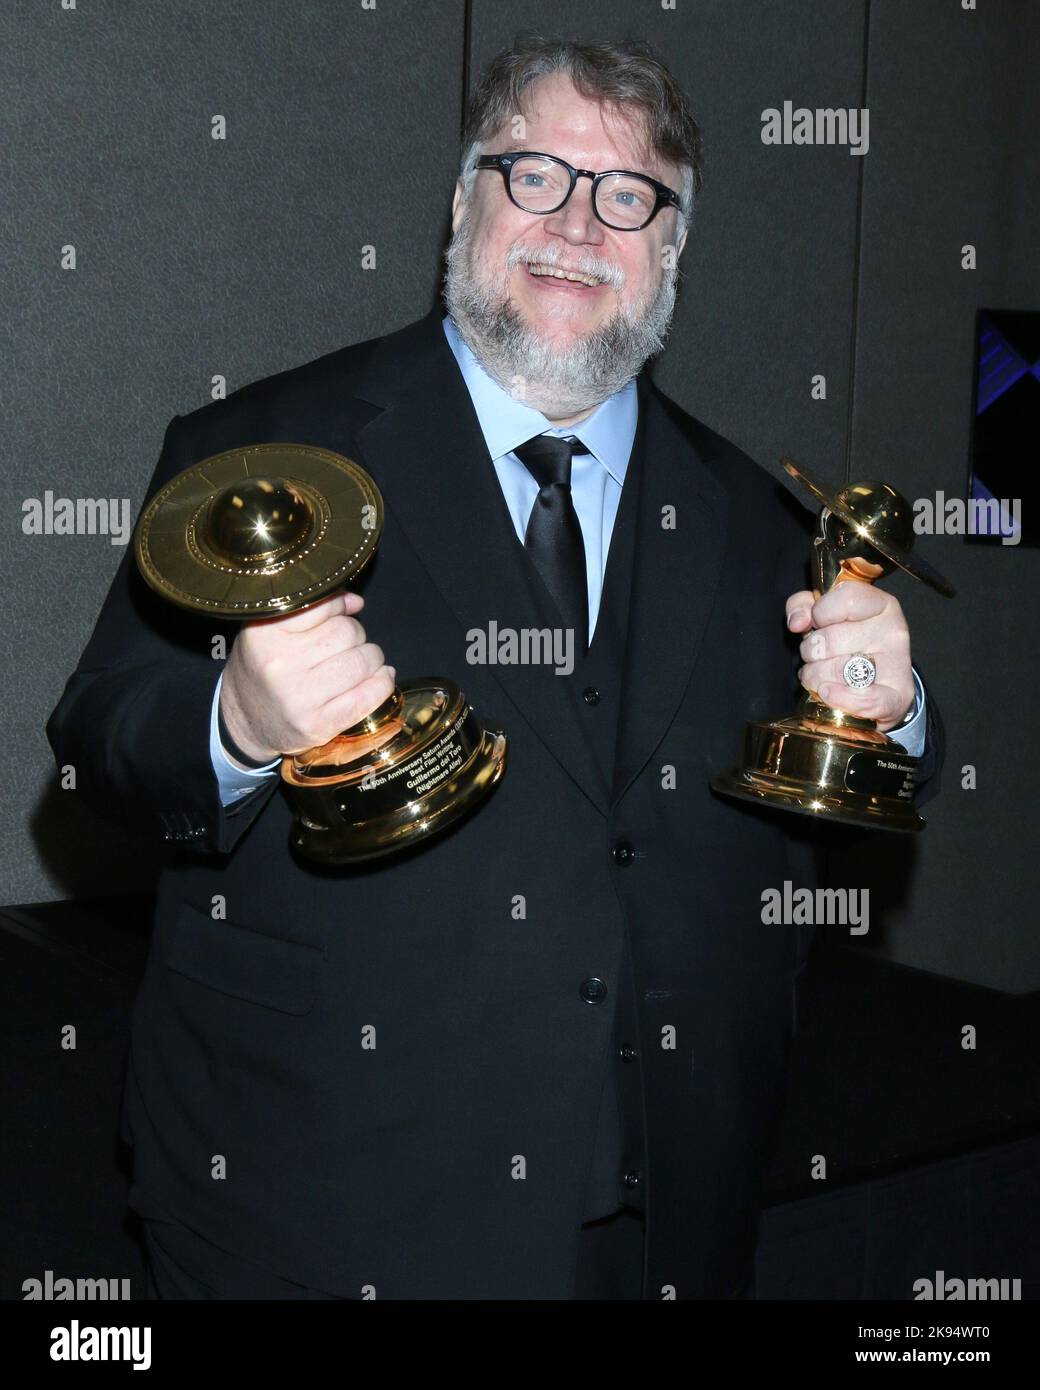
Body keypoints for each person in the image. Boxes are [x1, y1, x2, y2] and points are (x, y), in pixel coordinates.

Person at [46, 35, 942, 1300]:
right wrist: (235, 726)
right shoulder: (259, 449)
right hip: (319, 1212)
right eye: (532, 175)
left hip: (668, 1218)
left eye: (627, 196)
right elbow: (97, 740)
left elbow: (855, 781)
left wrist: (894, 715)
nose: (578, 224)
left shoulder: (756, 517)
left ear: (671, 250)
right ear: (461, 203)